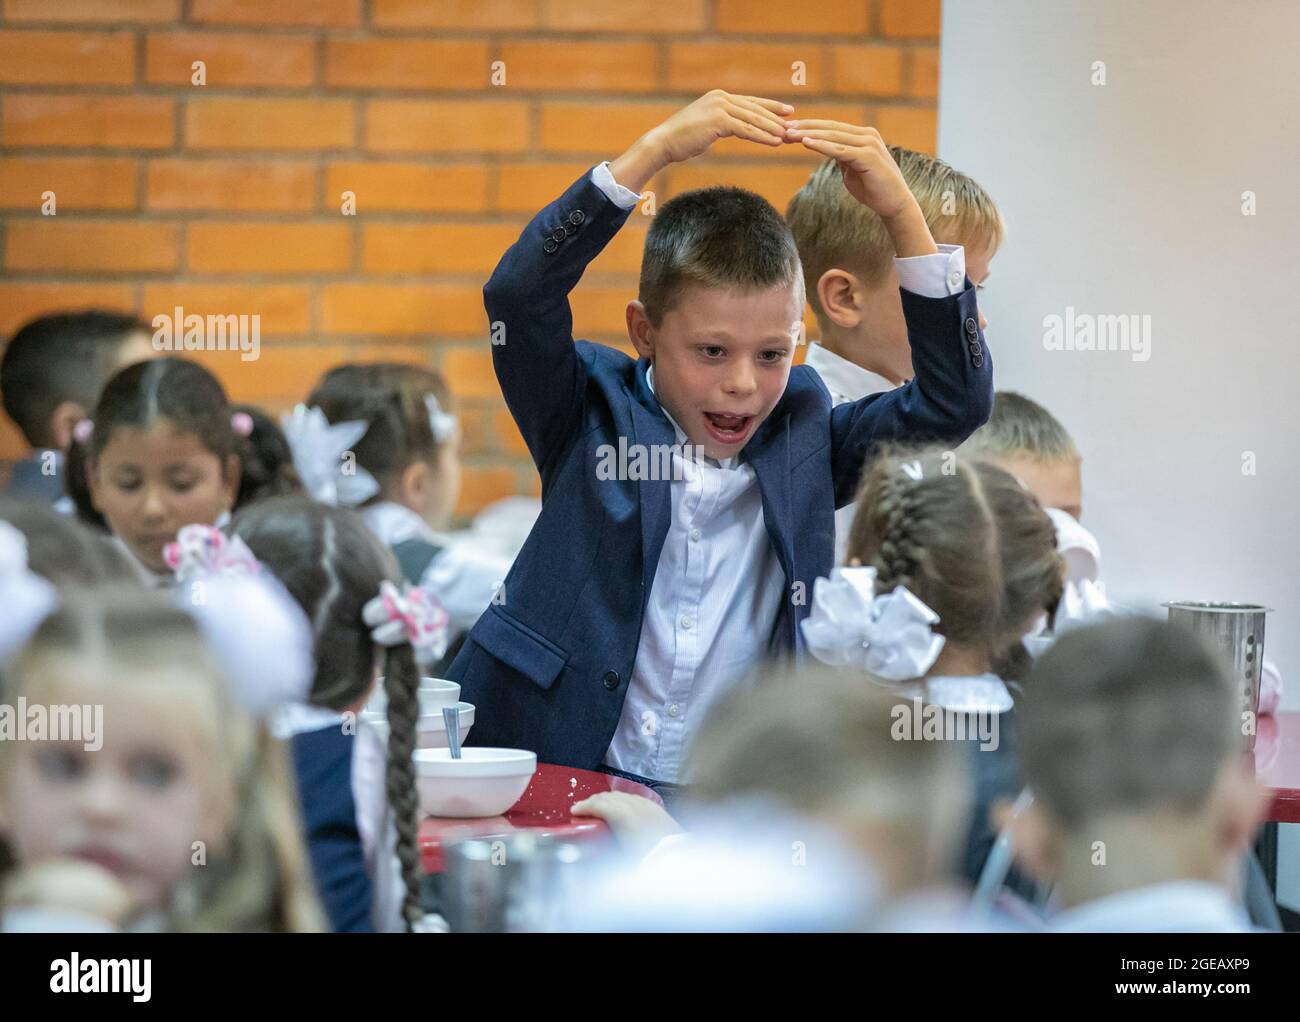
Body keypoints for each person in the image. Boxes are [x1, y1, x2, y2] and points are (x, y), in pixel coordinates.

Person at [449, 90, 993, 790]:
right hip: (557, 762)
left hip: (726, 788)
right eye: (711, 351)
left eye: (772, 355)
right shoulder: (587, 410)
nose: (743, 384)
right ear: (644, 331)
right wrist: (650, 155)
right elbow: (519, 296)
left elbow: (954, 402)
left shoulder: (808, 433)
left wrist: (901, 216)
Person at [0, 311, 154, 508]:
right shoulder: (93, 525)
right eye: (149, 399)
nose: (176, 410)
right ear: (73, 429)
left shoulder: (20, 509)